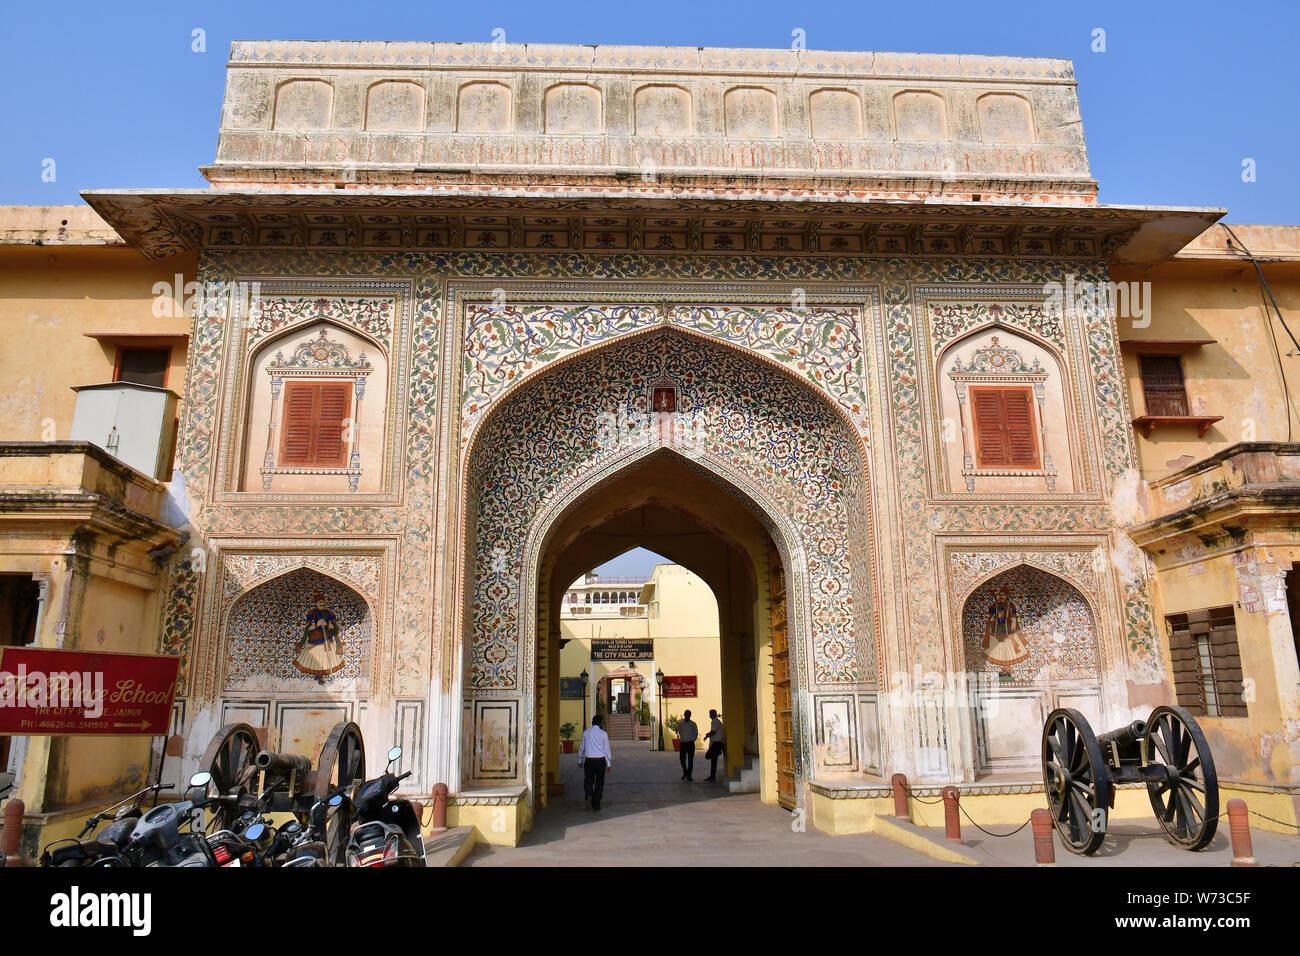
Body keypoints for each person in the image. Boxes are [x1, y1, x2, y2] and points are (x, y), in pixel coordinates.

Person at [577, 714, 613, 810]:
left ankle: (589, 793)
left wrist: (580, 760)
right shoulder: (603, 734)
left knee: (588, 780)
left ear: (592, 722)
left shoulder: (586, 733)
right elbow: (607, 750)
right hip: (600, 761)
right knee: (599, 783)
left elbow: (581, 748)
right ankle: (596, 803)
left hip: (589, 760)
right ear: (600, 723)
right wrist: (608, 763)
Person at [704, 709, 726, 781]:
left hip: (716, 743)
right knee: (714, 760)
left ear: (714, 714)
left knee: (708, 756)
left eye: (710, 714)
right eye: (709, 714)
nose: (709, 715)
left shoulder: (715, 721)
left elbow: (713, 731)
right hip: (717, 743)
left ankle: (712, 776)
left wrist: (707, 735)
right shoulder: (717, 721)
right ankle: (712, 776)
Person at [676, 710, 699, 781]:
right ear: (684, 714)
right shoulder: (681, 723)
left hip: (690, 743)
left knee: (690, 760)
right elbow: (679, 731)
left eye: (688, 714)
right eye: (686, 714)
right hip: (683, 743)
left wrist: (692, 739)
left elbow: (696, 733)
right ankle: (685, 771)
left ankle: (689, 776)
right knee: (682, 759)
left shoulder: (693, 724)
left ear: (690, 715)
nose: (687, 716)